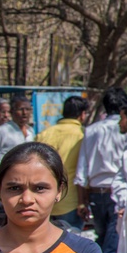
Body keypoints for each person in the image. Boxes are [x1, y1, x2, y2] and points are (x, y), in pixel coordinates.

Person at [74, 88, 127, 253]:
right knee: (111, 250)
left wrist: (82, 201)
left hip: (96, 194)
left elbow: (81, 170)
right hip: (118, 195)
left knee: (104, 243)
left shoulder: (91, 130)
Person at [36, 97, 88, 232]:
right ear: (82, 114)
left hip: (45, 201)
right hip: (71, 201)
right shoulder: (82, 135)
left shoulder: (44, 134)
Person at [0, 96, 33, 200]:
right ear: (12, 112)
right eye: (20, 109)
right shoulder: (1, 131)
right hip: (2, 183)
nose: (24, 113)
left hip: (25, 183)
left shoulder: (31, 132)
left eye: (27, 109)